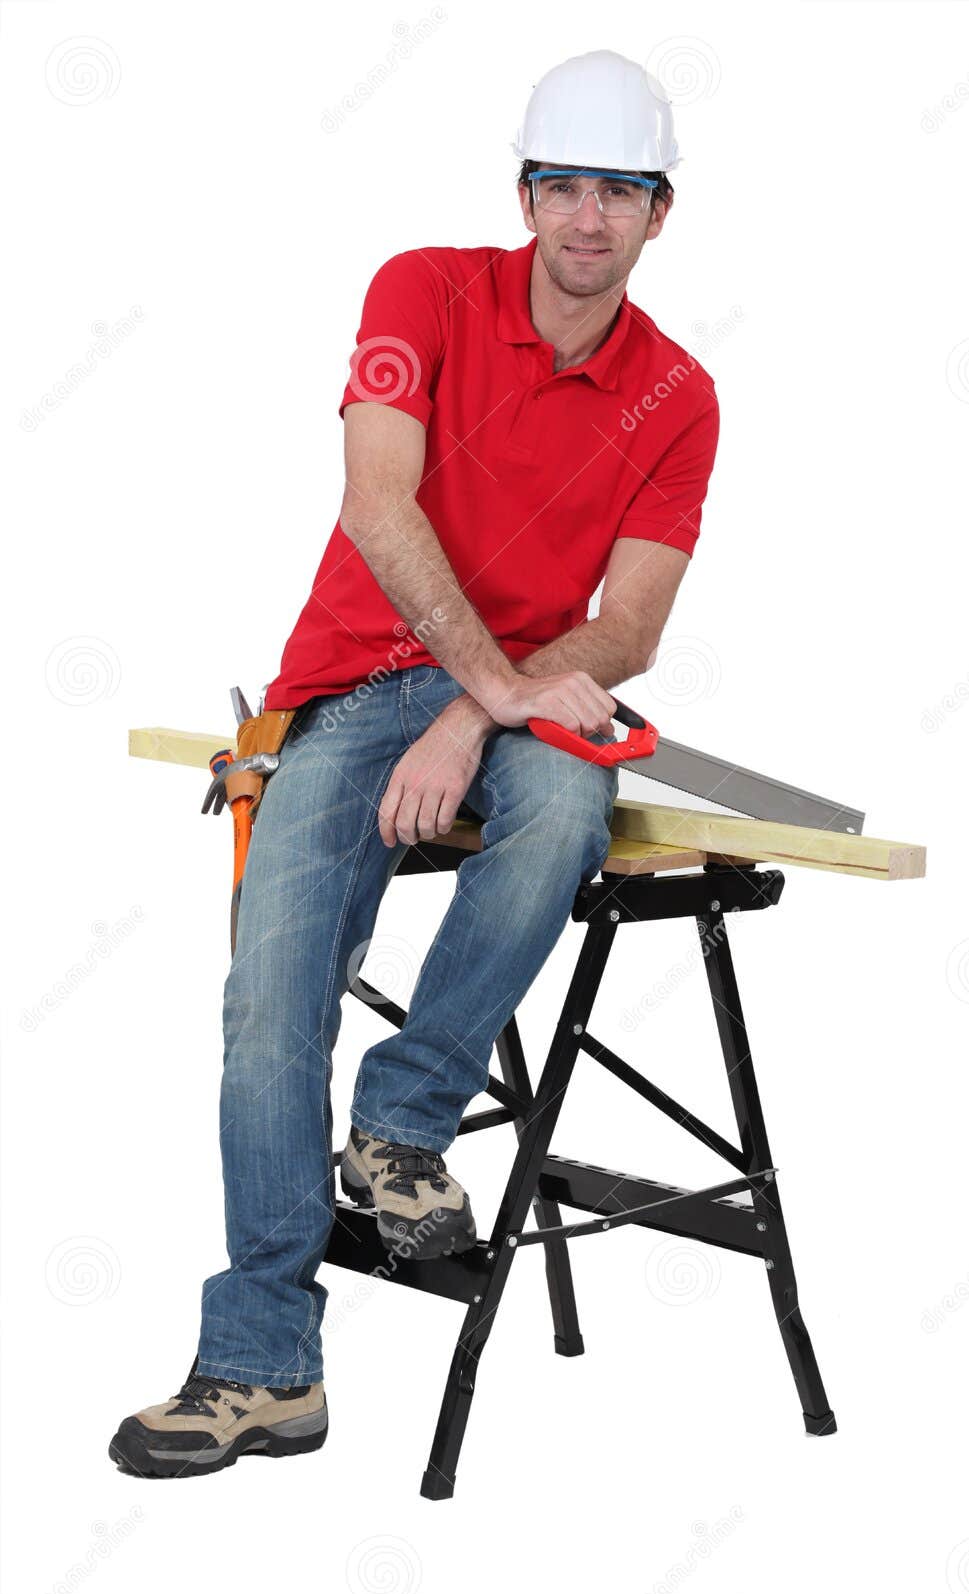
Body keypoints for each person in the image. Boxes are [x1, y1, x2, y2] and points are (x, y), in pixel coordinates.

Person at [110, 48, 720, 1479]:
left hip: (519, 710)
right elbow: (378, 506)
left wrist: (488, 713)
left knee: (567, 800)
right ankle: (263, 1366)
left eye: (618, 191)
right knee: (269, 1011)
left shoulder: (679, 395)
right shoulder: (421, 292)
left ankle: (400, 1128)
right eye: (563, 184)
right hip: (360, 682)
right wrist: (480, 683)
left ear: (657, 214)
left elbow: (627, 624)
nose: (587, 215)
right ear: (524, 193)